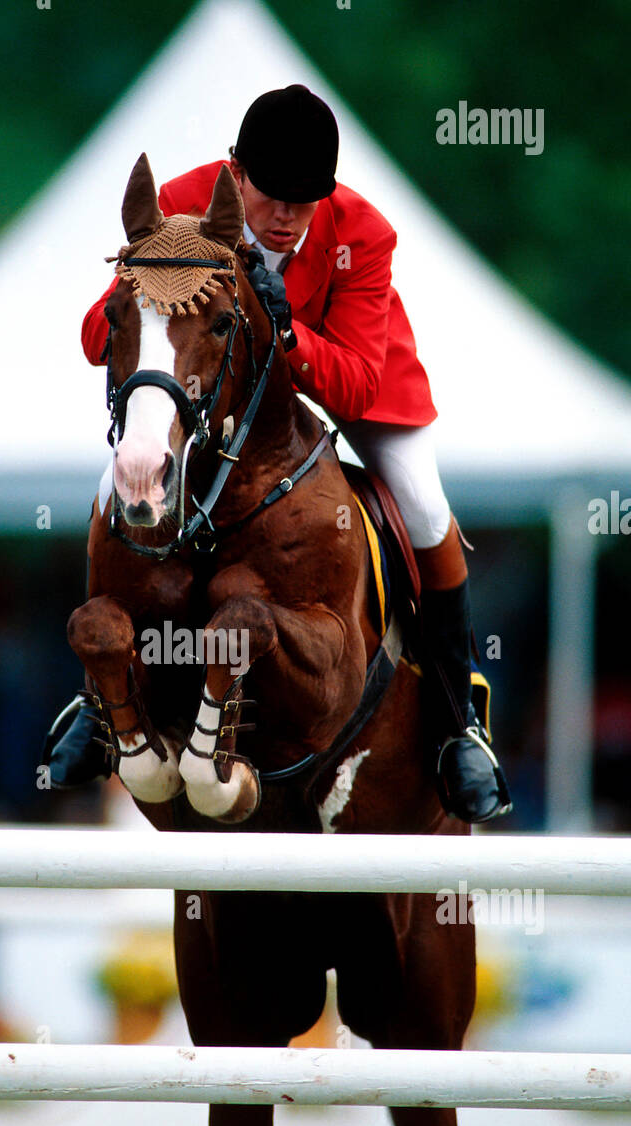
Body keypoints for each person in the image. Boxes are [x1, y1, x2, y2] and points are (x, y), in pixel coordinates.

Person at [46, 84, 511, 823]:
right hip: (219, 386)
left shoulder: (366, 232)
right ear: (236, 173)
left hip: (346, 371)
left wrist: (283, 329)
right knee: (121, 479)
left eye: (307, 199)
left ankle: (460, 726)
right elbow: (101, 337)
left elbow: (357, 384)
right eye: (273, 197)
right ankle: (95, 696)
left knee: (424, 508)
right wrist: (137, 309)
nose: (290, 218)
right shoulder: (183, 202)